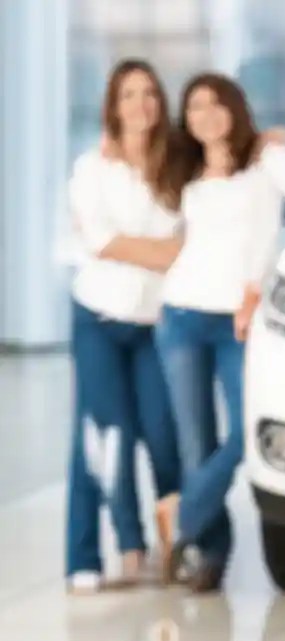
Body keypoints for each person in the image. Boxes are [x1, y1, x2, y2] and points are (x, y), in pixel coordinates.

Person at [153, 72, 285, 593]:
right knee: (197, 445)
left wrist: (257, 289)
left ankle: (183, 517)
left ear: (235, 109)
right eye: (195, 107)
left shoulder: (267, 157)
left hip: (238, 318)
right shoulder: (186, 168)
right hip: (180, 315)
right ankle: (208, 558)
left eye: (216, 105)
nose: (205, 116)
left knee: (246, 434)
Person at [63, 58, 186, 594]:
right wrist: (167, 252)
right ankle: (101, 553)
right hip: (97, 318)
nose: (141, 104)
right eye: (129, 94)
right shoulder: (93, 167)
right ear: (113, 106)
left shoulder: (180, 168)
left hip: (155, 326)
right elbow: (100, 242)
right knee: (104, 437)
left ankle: (176, 548)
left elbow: (194, 242)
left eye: (150, 93)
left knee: (163, 438)